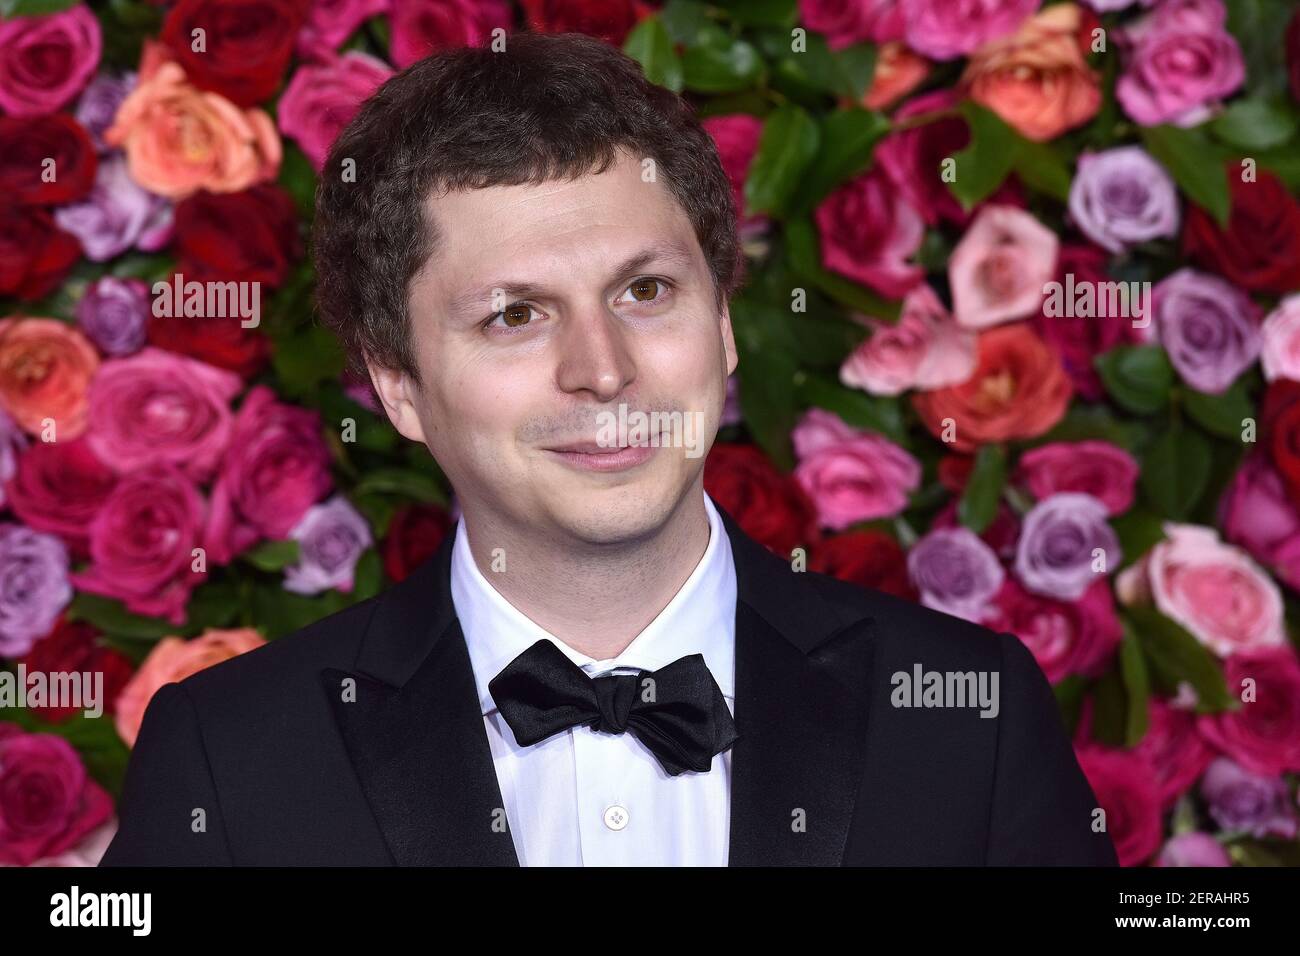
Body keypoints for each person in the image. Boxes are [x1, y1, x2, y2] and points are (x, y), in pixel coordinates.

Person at [100, 32, 1116, 867]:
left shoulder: (966, 715)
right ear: (398, 384)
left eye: (645, 291)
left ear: (721, 323)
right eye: (513, 315)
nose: (603, 368)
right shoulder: (232, 754)